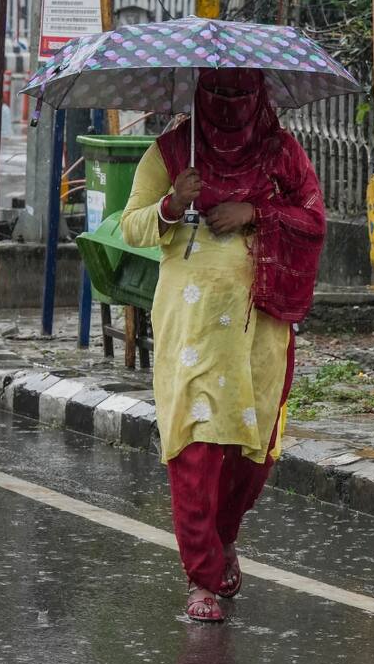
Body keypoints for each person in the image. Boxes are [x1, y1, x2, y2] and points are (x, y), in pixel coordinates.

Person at [120, 68, 325, 622]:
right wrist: (170, 203)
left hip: (261, 325)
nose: (230, 108)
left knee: (252, 450)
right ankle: (202, 578)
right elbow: (129, 227)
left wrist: (254, 212)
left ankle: (224, 536)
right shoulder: (170, 151)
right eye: (220, 95)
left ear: (259, 96)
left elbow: (313, 216)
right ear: (199, 97)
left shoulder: (281, 152)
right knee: (196, 446)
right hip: (192, 327)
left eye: (241, 95)